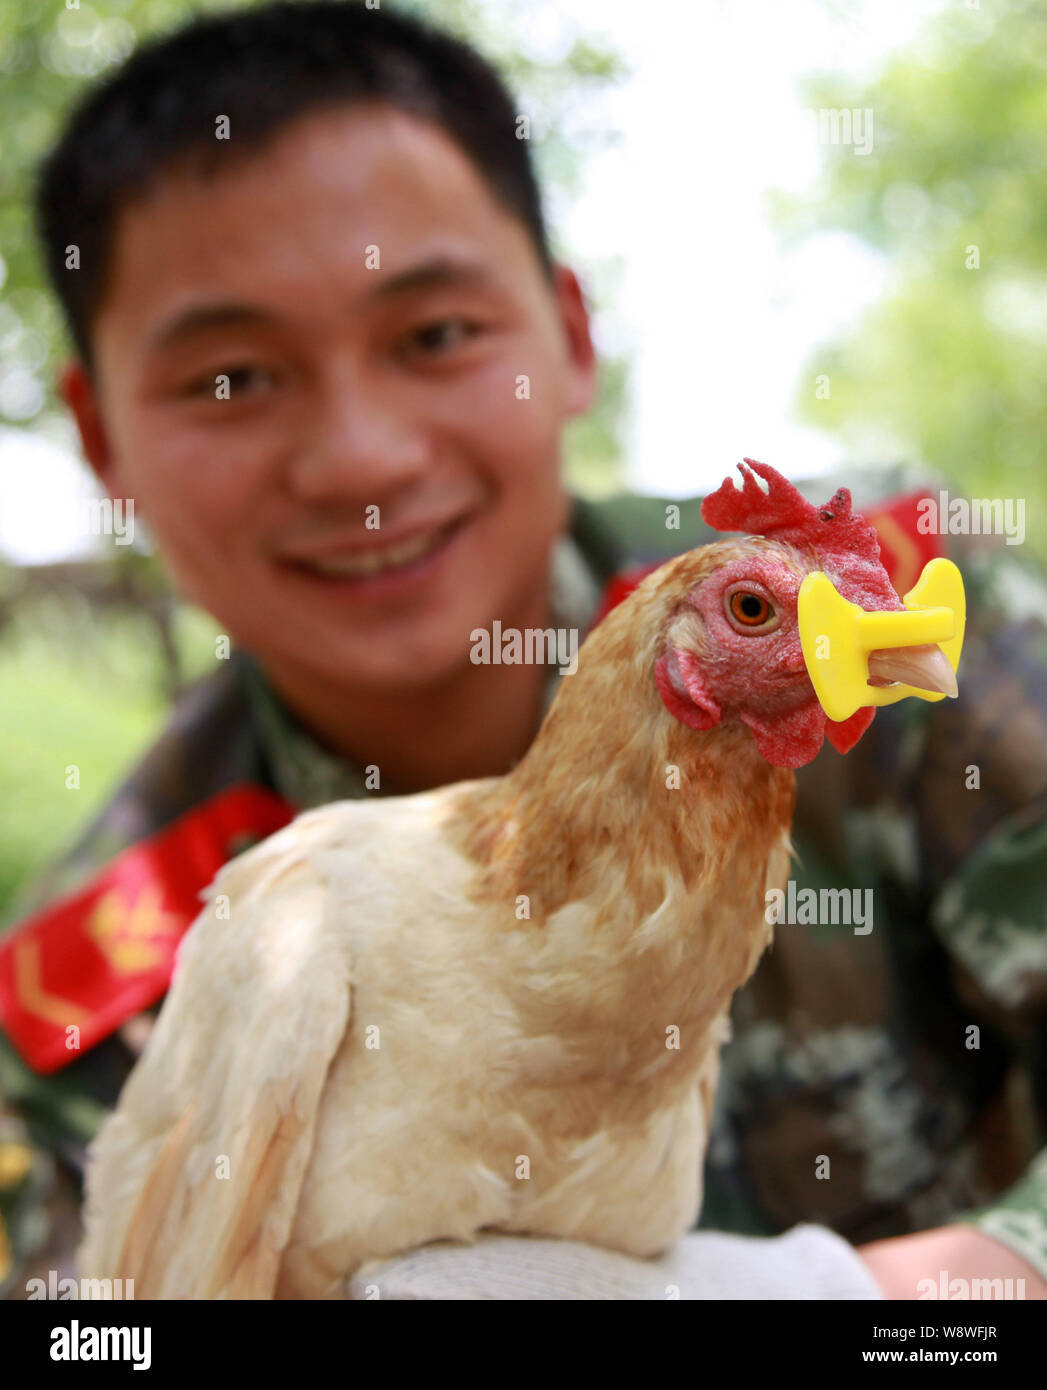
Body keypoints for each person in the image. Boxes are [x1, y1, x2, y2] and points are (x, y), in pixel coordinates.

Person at [2, 0, 1045, 1301]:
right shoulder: (98, 982)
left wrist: (879, 1302)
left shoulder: (894, 632)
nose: (362, 460)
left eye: (435, 336)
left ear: (570, 335)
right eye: (232, 379)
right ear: (101, 440)